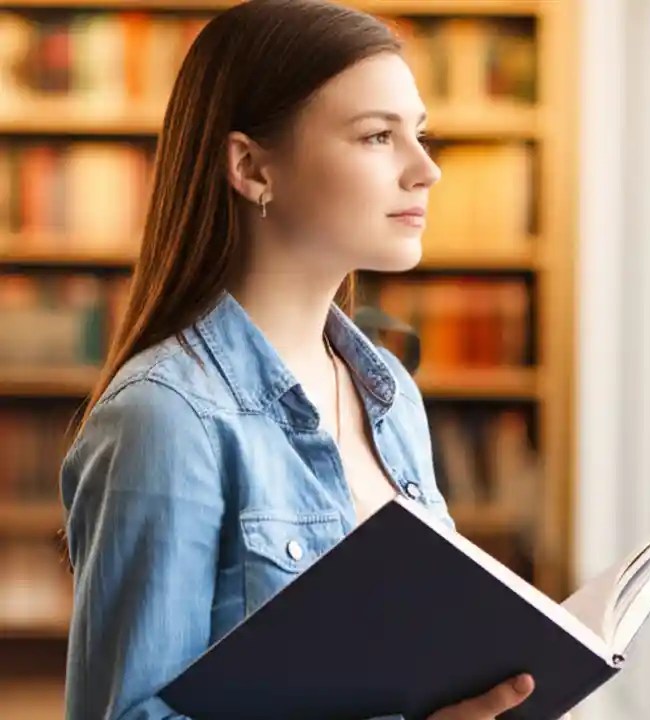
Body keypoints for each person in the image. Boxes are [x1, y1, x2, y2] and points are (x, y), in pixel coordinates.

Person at [59, 1, 536, 717]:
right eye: (378, 136)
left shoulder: (391, 395)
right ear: (251, 166)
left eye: (421, 134)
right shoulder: (166, 418)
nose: (427, 170)